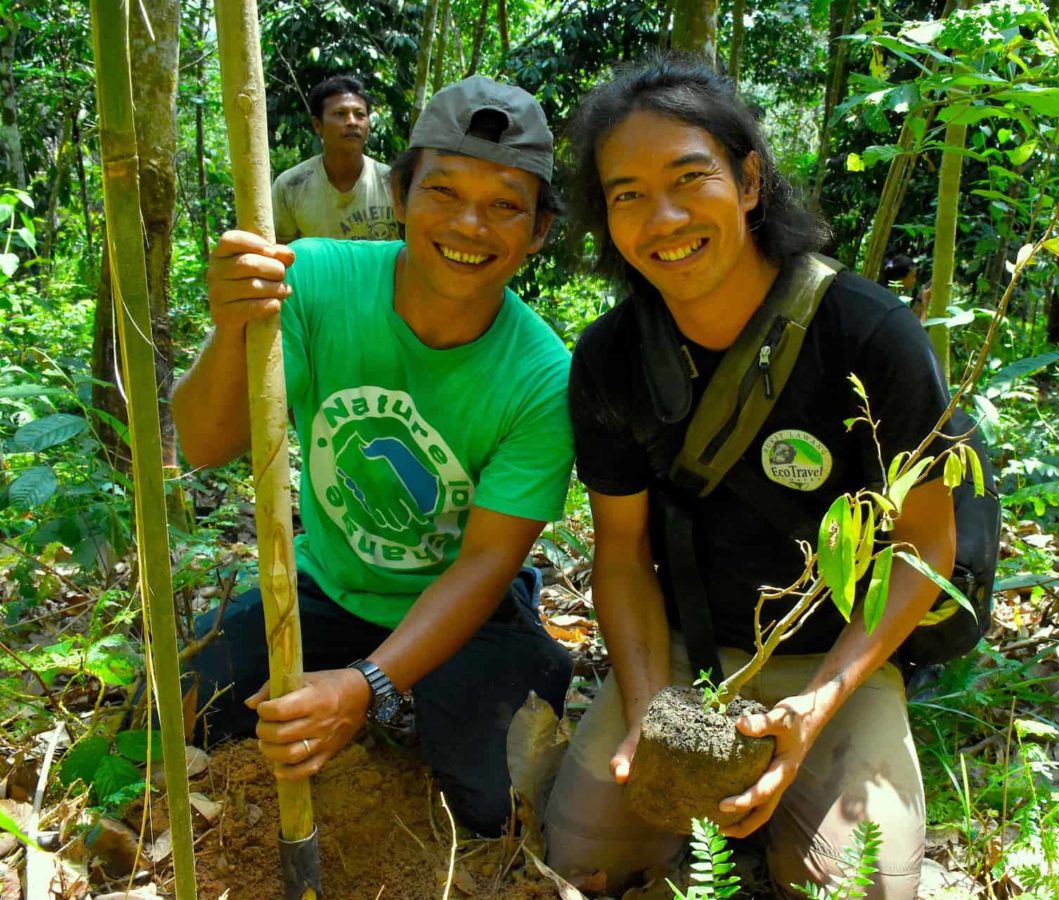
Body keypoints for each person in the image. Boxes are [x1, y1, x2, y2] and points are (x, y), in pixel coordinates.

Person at [544, 57, 956, 898]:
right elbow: (622, 556)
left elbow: (927, 544)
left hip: (830, 658)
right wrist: (654, 712)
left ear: (750, 181)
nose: (663, 217)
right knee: (584, 856)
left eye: (690, 178)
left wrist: (819, 705)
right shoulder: (611, 358)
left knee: (866, 886)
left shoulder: (868, 333)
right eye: (626, 194)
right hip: (689, 652)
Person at [171, 75, 575, 837]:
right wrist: (232, 326)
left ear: (539, 231)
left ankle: (482, 673)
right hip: (328, 587)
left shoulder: (543, 376)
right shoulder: (315, 279)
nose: (469, 225)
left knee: (495, 804)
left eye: (504, 206)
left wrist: (366, 689)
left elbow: (484, 561)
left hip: (469, 607)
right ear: (399, 192)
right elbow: (204, 442)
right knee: (182, 706)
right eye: (444, 192)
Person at [271, 75, 400, 242]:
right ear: (317, 125)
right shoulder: (290, 186)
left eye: (360, 114)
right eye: (340, 114)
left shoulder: (392, 183)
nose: (352, 122)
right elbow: (282, 254)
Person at [881, 253, 930, 322]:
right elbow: (914, 329)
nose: (915, 280)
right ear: (900, 279)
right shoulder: (893, 303)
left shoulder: (887, 294)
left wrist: (920, 299)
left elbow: (911, 318)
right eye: (912, 276)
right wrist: (925, 305)